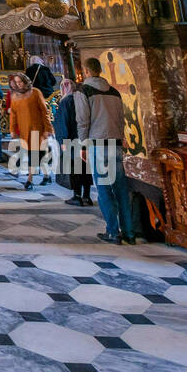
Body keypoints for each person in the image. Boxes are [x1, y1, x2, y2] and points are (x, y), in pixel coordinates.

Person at [75, 58, 134, 244]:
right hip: (115, 142)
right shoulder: (115, 91)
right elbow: (121, 118)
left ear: (85, 71)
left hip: (97, 144)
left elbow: (83, 120)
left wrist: (83, 145)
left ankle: (112, 232)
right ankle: (129, 233)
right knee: (121, 189)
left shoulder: (84, 91)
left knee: (104, 189)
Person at [7, 72, 52, 190]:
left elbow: (44, 111)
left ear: (25, 81)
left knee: (34, 154)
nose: (18, 84)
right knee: (36, 154)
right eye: (16, 82)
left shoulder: (35, 92)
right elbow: (13, 114)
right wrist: (12, 129)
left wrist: (48, 129)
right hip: (24, 130)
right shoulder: (15, 96)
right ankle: (47, 175)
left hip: (38, 128)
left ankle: (29, 180)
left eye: (20, 82)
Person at [52, 77, 92, 206]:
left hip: (71, 140)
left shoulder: (66, 101)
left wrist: (63, 141)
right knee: (86, 167)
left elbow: (63, 122)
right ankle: (87, 195)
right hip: (84, 138)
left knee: (74, 169)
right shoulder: (81, 99)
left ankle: (77, 196)